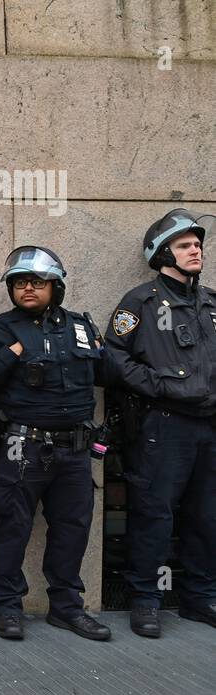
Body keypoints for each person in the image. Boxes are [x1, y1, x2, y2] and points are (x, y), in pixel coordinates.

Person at [0, 246, 110, 641]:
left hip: (75, 449)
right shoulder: (0, 330)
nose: (27, 289)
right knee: (14, 527)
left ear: (55, 287)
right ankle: (8, 607)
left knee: (72, 528)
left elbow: (107, 374)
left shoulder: (80, 326)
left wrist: (103, 352)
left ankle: (66, 608)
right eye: (19, 283)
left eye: (37, 282)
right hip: (22, 449)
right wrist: (10, 355)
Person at [103, 208, 216, 638]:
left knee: (207, 516)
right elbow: (112, 357)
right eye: (185, 245)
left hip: (208, 428)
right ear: (161, 252)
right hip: (163, 428)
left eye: (198, 245)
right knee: (155, 515)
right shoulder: (141, 302)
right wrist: (158, 385)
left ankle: (199, 597)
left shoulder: (211, 303)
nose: (196, 250)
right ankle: (145, 600)